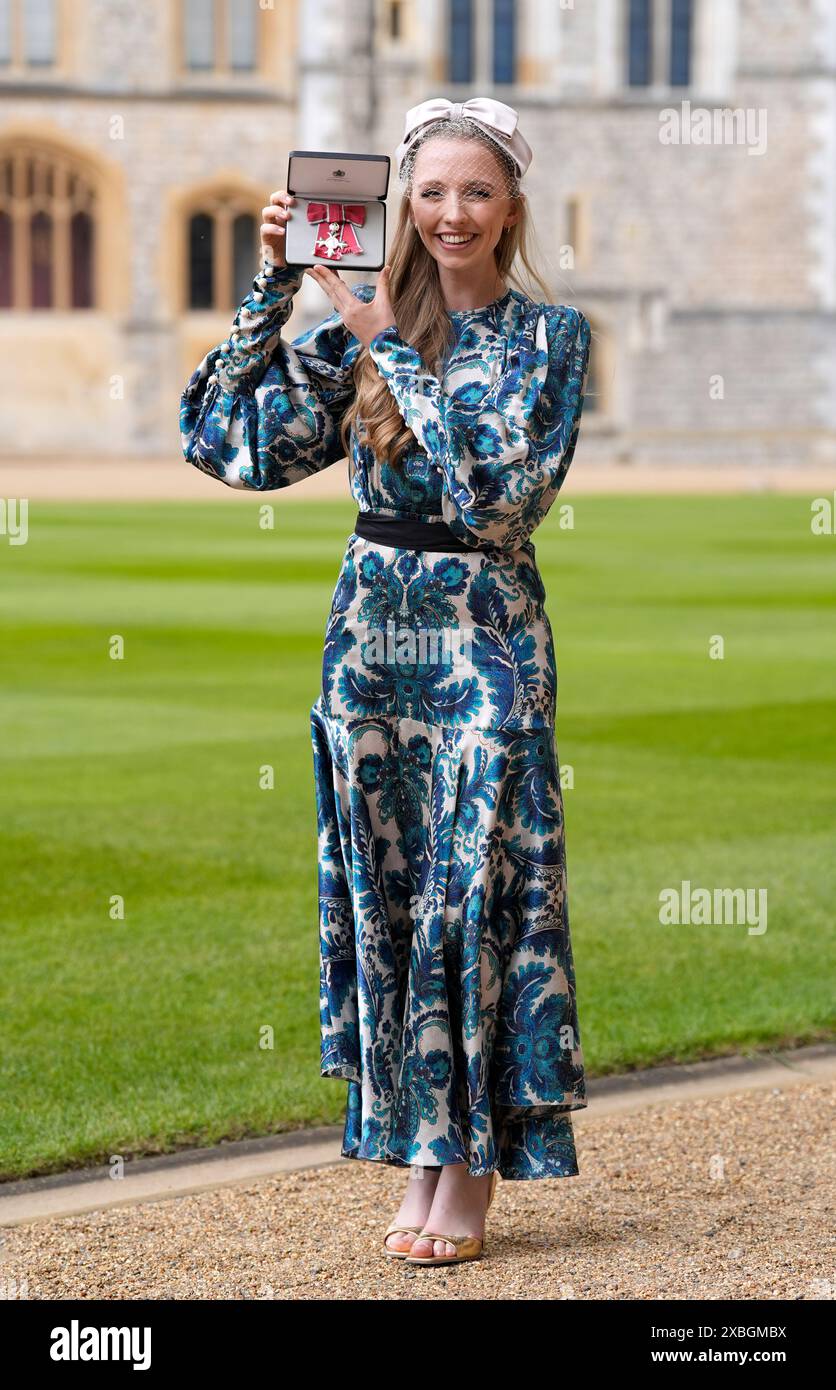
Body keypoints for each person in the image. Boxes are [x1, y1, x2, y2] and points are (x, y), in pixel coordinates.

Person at [180, 96, 592, 1268]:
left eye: (474, 191)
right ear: (397, 205)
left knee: (472, 897)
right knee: (395, 902)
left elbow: (495, 491)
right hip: (368, 640)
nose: (449, 213)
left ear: (510, 206)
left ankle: (462, 1171)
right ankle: (417, 1148)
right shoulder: (363, 329)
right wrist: (273, 286)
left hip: (482, 643)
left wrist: (377, 332)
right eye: (428, 192)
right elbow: (226, 445)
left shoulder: (547, 342)